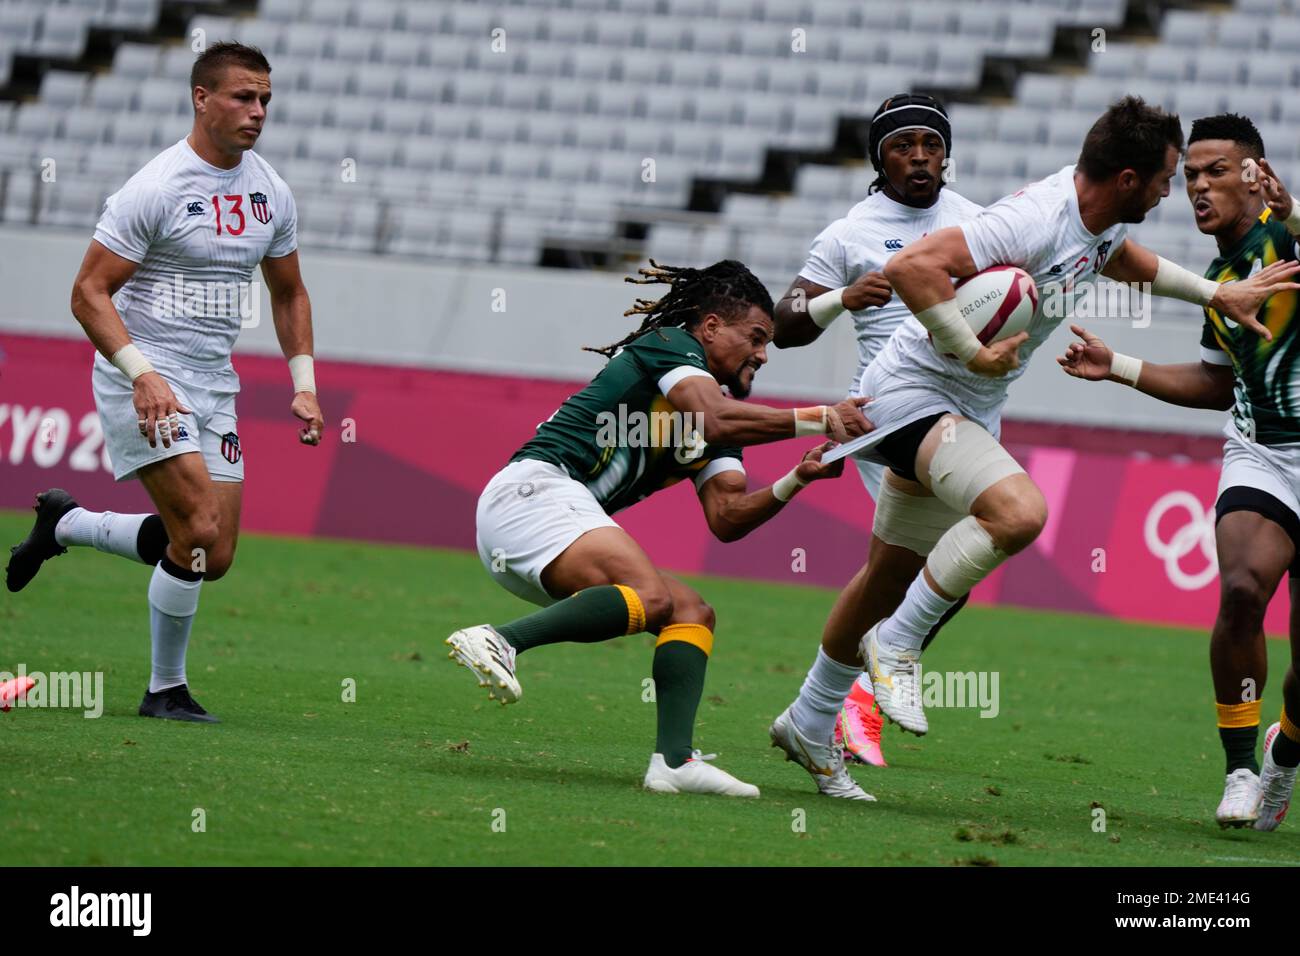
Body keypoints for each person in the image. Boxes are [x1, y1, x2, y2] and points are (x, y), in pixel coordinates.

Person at [770, 96, 1300, 801]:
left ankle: (808, 718)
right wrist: (972, 350)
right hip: (914, 392)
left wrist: (1212, 294)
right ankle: (895, 646)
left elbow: (1130, 262)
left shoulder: (1099, 221)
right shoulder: (1035, 218)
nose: (1177, 191)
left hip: (963, 403)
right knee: (1018, 513)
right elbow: (912, 270)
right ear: (1128, 179)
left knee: (886, 576)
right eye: (1169, 177)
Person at [447, 259, 871, 797]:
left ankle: (673, 762)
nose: (764, 354)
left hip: (548, 530)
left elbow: (728, 519)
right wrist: (821, 416)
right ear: (712, 326)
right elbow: (713, 417)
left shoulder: (721, 415)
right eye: (756, 337)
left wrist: (796, 478)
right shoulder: (671, 345)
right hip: (533, 494)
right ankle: (500, 640)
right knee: (648, 594)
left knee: (692, 611)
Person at [4, 42, 324, 722]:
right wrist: (142, 374)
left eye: (265, 98)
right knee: (199, 528)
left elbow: (290, 291)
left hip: (213, 384)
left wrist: (304, 380)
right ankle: (164, 690)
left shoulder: (271, 190)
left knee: (214, 553)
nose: (258, 111)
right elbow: (89, 293)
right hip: (144, 377)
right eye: (243, 96)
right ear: (201, 98)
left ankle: (67, 523)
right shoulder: (155, 189)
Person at [1057, 113, 1300, 829]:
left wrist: (1293, 215)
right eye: (1189, 174)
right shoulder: (1221, 281)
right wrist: (1119, 368)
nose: (1197, 185)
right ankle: (1239, 769)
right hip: (1264, 455)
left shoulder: (1286, 241)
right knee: (1242, 587)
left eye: (1216, 171)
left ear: (1255, 177)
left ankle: (1285, 755)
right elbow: (1218, 382)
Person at [772, 93, 983, 770]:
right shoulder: (851, 231)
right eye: (901, 146)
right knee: (973, 539)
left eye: (930, 143)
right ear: (878, 157)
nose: (919, 157)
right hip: (891, 412)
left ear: (946, 152)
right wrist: (841, 298)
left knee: (936, 568)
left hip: (970, 407)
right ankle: (863, 693)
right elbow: (785, 322)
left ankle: (821, 707)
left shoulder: (978, 223)